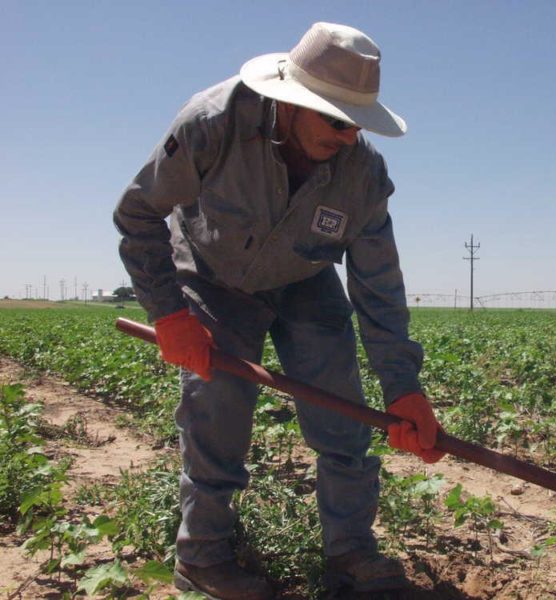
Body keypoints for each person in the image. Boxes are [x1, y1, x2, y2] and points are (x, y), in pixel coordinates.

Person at [113, 22, 445, 600]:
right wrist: (169, 315)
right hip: (213, 276)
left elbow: (380, 288)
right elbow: (138, 213)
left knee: (343, 414)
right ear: (289, 101)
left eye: (357, 124)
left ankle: (349, 552)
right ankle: (202, 557)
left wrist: (403, 387)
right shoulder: (211, 122)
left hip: (304, 280)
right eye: (336, 120)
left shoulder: (363, 176)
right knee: (218, 408)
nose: (348, 137)